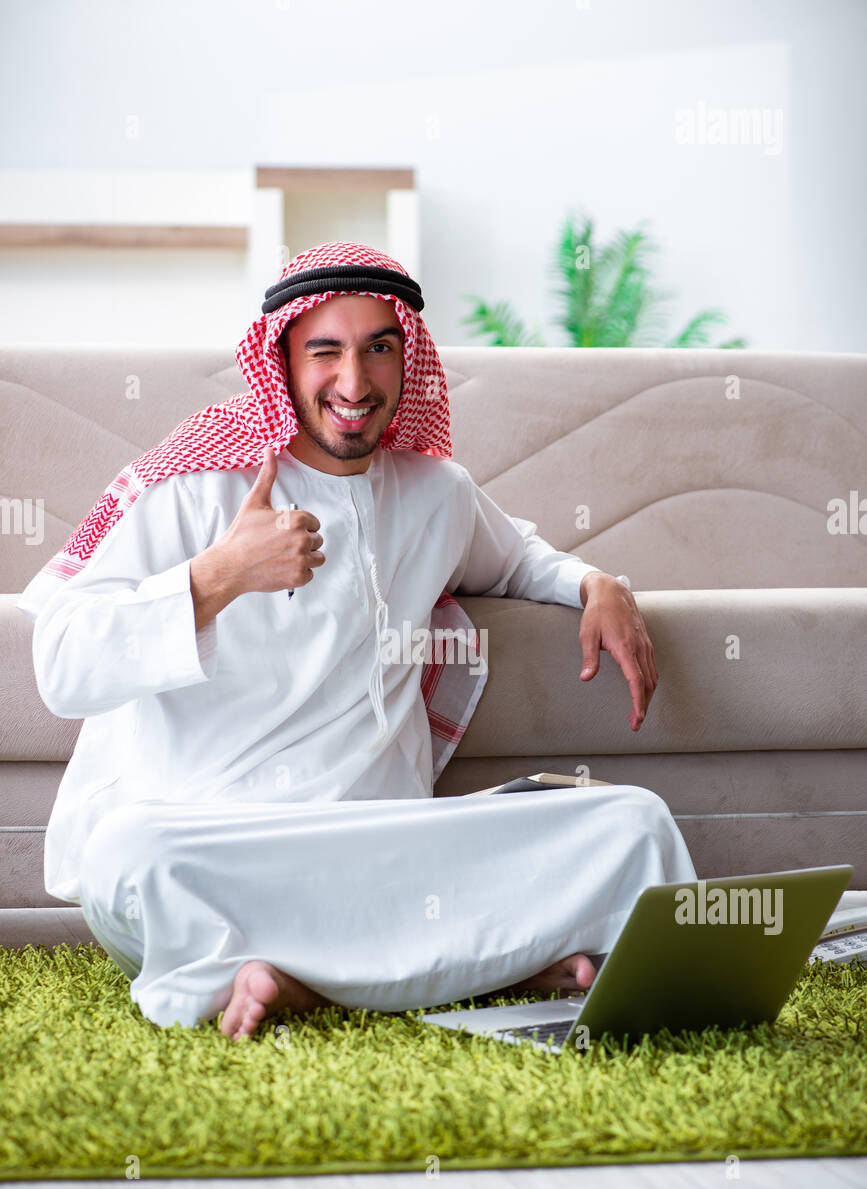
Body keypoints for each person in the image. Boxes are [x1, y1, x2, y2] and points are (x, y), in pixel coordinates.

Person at [17, 242, 697, 1040]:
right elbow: (63, 665)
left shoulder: (434, 492)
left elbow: (519, 558)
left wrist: (595, 585)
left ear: (408, 359)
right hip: (224, 849)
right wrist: (217, 577)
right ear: (280, 361)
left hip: (381, 847)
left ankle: (301, 980)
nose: (354, 381)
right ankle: (476, 963)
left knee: (631, 823)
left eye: (378, 348)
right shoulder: (196, 489)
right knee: (129, 854)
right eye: (325, 351)